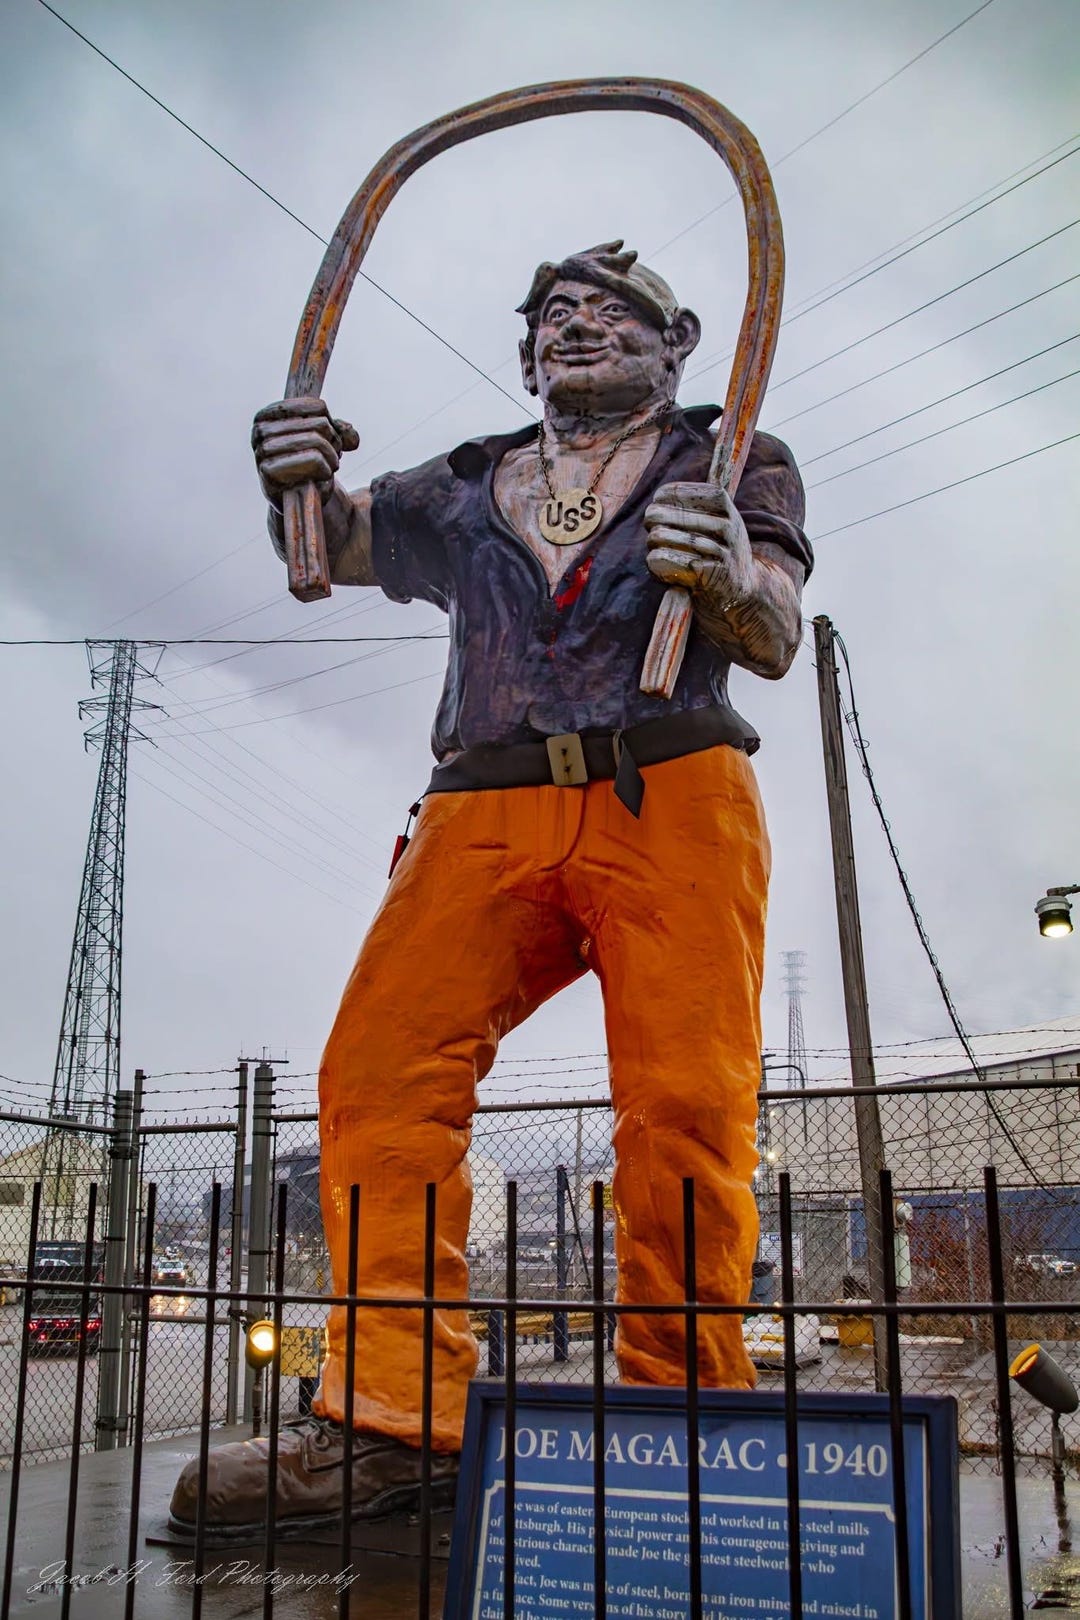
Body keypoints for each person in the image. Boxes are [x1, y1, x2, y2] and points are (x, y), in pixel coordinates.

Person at [170, 241, 812, 1536]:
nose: (578, 327)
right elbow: (330, 546)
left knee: (686, 1099)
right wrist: (291, 476)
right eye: (554, 316)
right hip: (484, 796)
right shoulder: (464, 487)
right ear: (526, 355)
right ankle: (400, 1419)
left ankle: (685, 1415)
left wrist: (734, 577)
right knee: (380, 1070)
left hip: (671, 784)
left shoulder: (730, 457)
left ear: (674, 339)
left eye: (610, 311)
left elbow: (780, 632)